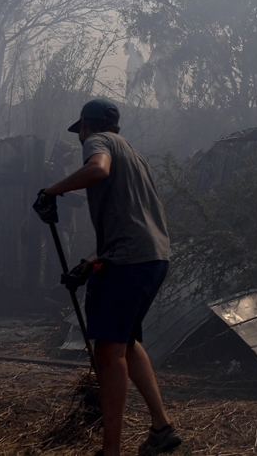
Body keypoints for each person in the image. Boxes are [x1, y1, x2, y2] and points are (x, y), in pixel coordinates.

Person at [34, 99, 182, 456]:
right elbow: (135, 220)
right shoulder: (134, 155)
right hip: (153, 257)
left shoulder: (97, 142)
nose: (80, 139)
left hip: (130, 261)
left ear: (88, 125)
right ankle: (161, 429)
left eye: (80, 131)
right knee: (125, 342)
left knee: (108, 350)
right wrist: (92, 262)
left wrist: (52, 190)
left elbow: (97, 170)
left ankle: (110, 451)